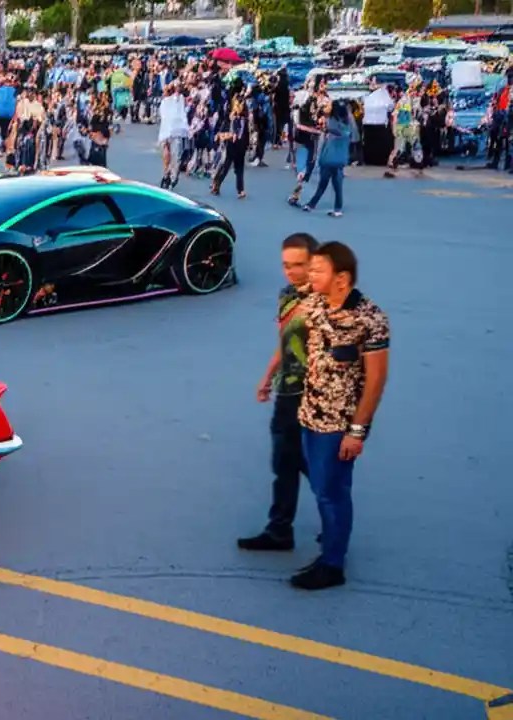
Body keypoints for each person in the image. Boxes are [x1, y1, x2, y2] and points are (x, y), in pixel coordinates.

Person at [292, 241, 390, 590]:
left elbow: (376, 380)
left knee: (332, 492)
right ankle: (332, 537)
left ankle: (333, 565)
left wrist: (358, 432)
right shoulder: (316, 301)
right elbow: (295, 318)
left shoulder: (370, 319)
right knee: (322, 487)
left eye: (319, 270)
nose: (310, 275)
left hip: (339, 426)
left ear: (342, 278)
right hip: (309, 414)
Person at [239, 233, 317, 553]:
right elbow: (286, 341)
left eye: (299, 265)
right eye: (286, 265)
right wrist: (268, 376)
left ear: (315, 262)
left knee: (304, 461)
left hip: (313, 392)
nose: (292, 272)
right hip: (287, 389)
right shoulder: (286, 294)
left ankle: (330, 519)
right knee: (286, 459)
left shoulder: (324, 302)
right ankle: (280, 528)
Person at [302, 100, 351, 217]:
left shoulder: (331, 122)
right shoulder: (347, 124)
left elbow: (325, 142)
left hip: (328, 159)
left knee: (322, 184)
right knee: (338, 185)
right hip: (340, 159)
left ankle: (311, 204)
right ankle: (338, 208)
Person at [212, 99, 249, 199]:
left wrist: (246, 145)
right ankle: (216, 184)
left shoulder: (244, 120)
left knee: (239, 170)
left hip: (240, 147)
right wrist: (223, 135)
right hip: (231, 146)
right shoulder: (233, 119)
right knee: (225, 167)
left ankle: (240, 190)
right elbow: (233, 134)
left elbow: (245, 134)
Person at [157, 81, 189, 189]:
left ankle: (172, 177)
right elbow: (163, 117)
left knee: (175, 156)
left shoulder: (180, 100)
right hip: (167, 132)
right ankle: (167, 175)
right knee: (168, 156)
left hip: (177, 133)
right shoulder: (166, 102)